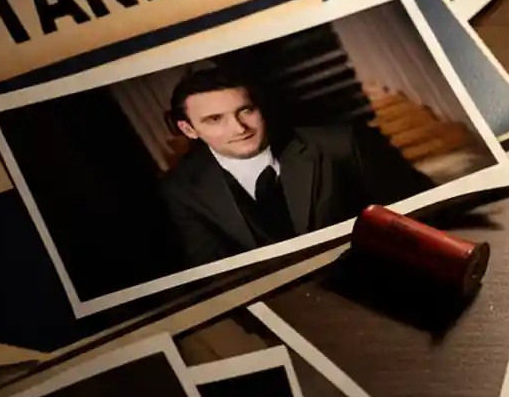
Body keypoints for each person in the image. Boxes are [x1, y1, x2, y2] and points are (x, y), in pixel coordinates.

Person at [160, 67, 434, 266]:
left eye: (245, 110)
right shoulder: (182, 189)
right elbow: (217, 275)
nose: (239, 128)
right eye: (215, 119)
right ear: (188, 129)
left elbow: (423, 212)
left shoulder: (340, 145)